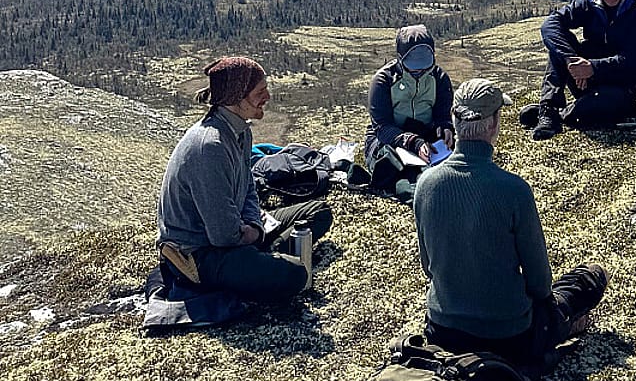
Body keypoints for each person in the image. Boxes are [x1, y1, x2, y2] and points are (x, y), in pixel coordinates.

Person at [414, 78, 608, 370]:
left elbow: (428, 266)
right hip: (509, 337)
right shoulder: (513, 189)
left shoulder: (425, 184)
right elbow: (540, 285)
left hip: (443, 332)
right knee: (589, 279)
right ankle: (563, 327)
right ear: (494, 125)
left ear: (455, 121)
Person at [156, 57, 333, 303]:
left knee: (318, 212)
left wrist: (254, 226)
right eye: (260, 91)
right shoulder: (211, 146)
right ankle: (259, 259)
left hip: (240, 229)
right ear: (236, 98)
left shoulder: (240, 132)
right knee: (295, 274)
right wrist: (255, 234)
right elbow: (223, 236)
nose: (268, 97)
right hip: (200, 253)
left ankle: (257, 257)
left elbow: (249, 188)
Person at [529, 0, 636, 140]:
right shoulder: (587, 3)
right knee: (558, 46)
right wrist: (571, 61)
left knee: (604, 107)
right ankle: (548, 108)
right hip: (583, 79)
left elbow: (632, 61)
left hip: (620, 84)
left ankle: (560, 114)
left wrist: (592, 67)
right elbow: (550, 24)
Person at [364, 24, 454, 200]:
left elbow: (443, 115)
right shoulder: (383, 81)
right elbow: (382, 128)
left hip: (426, 137)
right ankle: (418, 193)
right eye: (412, 66)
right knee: (396, 170)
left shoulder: (439, 78)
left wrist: (446, 127)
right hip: (388, 140)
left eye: (424, 66)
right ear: (400, 58)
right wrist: (414, 142)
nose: (418, 71)